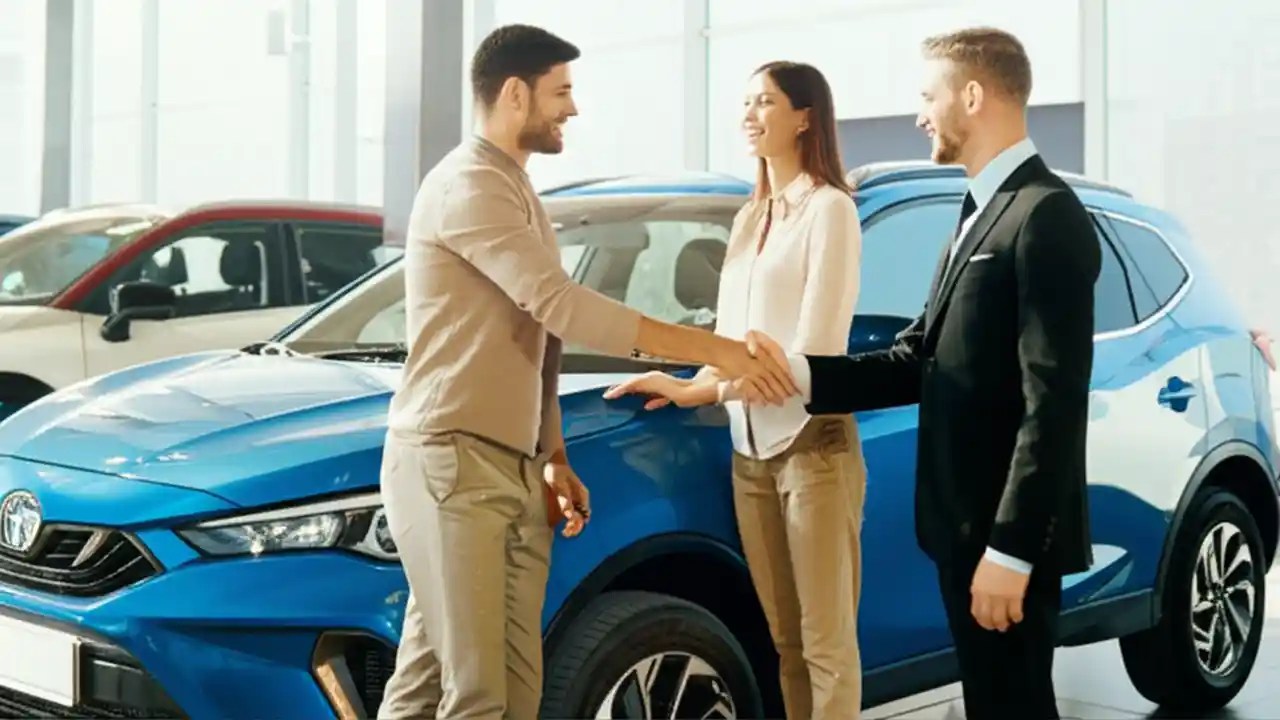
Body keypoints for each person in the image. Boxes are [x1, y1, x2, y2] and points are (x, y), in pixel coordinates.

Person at [376, 24, 800, 720]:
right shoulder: (467, 186)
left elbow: (539, 336)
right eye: (561, 92)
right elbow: (562, 305)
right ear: (515, 94)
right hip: (453, 463)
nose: (572, 108)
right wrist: (719, 349)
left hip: (508, 467)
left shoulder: (514, 187)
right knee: (482, 697)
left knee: (472, 687)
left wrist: (552, 452)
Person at [741, 27, 1101, 719]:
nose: (919, 115)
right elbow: (920, 359)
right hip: (961, 532)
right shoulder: (978, 210)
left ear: (973, 95)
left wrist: (1013, 552)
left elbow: (1052, 405)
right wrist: (792, 373)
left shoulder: (1044, 214)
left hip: (1000, 538)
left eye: (928, 96)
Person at [603, 61, 865, 719]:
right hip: (750, 452)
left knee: (826, 646)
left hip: (813, 448)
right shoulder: (750, 217)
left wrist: (724, 388)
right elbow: (733, 342)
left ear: (804, 117)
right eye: (746, 102)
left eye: (765, 102)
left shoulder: (830, 210)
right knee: (785, 643)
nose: (749, 115)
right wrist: (690, 384)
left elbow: (812, 358)